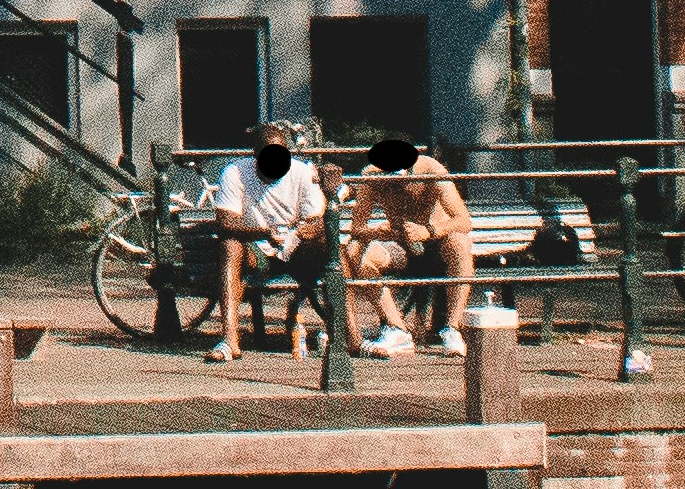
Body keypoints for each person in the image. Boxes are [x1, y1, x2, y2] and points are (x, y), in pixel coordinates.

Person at [204, 118, 335, 365]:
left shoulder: (302, 172)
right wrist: (262, 233)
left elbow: (317, 219)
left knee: (329, 244)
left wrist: (302, 233)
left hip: (298, 249)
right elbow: (225, 223)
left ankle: (345, 333)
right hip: (257, 249)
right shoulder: (235, 172)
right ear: (255, 155)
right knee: (229, 246)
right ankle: (229, 339)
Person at [345, 133, 479, 356]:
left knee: (460, 243)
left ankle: (453, 328)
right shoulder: (372, 176)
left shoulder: (431, 170)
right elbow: (357, 228)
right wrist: (379, 232)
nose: (395, 182)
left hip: (438, 244)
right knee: (357, 252)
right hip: (401, 246)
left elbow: (463, 220)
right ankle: (397, 328)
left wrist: (428, 231)